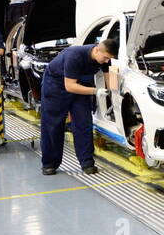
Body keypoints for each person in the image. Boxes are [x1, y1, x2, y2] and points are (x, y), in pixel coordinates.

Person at [40, 39, 116, 176]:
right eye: (105, 58)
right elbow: (69, 86)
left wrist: (113, 92)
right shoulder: (74, 56)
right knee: (53, 125)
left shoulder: (105, 58)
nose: (106, 61)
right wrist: (95, 91)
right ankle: (49, 163)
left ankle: (87, 162)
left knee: (84, 123)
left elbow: (108, 76)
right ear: (97, 50)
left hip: (81, 85)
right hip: (56, 86)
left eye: (109, 59)